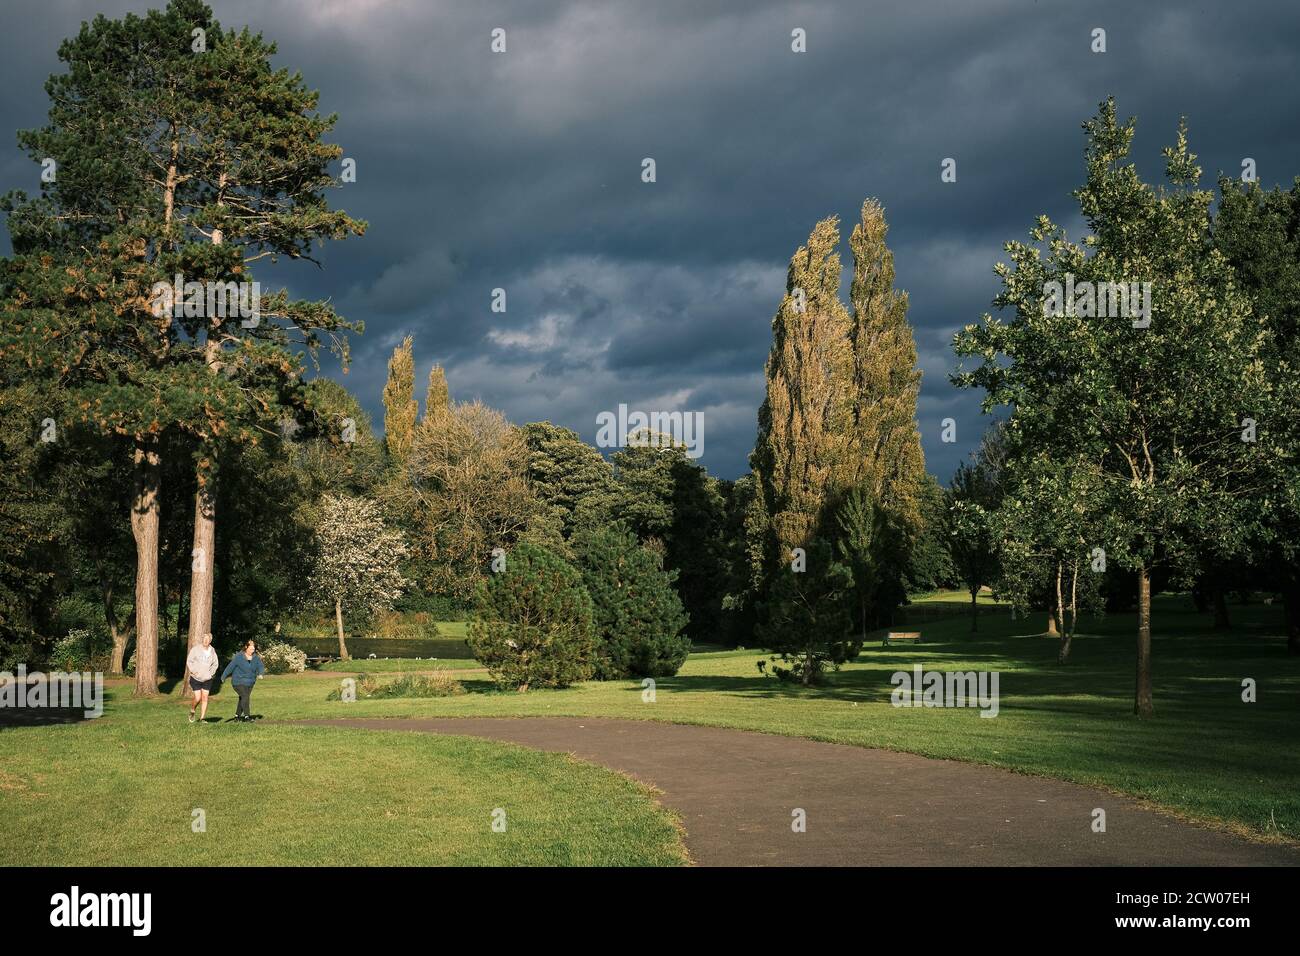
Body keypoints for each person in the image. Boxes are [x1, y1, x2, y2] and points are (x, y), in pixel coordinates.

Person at [221, 639, 266, 722]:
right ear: (246, 647)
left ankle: (237, 716)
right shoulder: (239, 657)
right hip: (238, 681)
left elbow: (261, 666)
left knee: (243, 698)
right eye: (251, 648)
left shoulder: (256, 658)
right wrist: (223, 676)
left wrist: (260, 673)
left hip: (250, 682)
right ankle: (247, 717)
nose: (252, 650)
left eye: (253, 649)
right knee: (245, 697)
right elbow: (230, 667)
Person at [186, 633, 219, 723]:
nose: (205, 640)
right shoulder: (196, 649)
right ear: (202, 639)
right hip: (196, 678)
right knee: (197, 698)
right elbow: (189, 661)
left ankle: (202, 718)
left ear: (210, 641)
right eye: (204, 638)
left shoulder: (212, 651)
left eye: (207, 639)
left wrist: (211, 673)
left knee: (205, 698)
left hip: (207, 679)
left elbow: (215, 664)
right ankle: (192, 710)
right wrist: (193, 670)